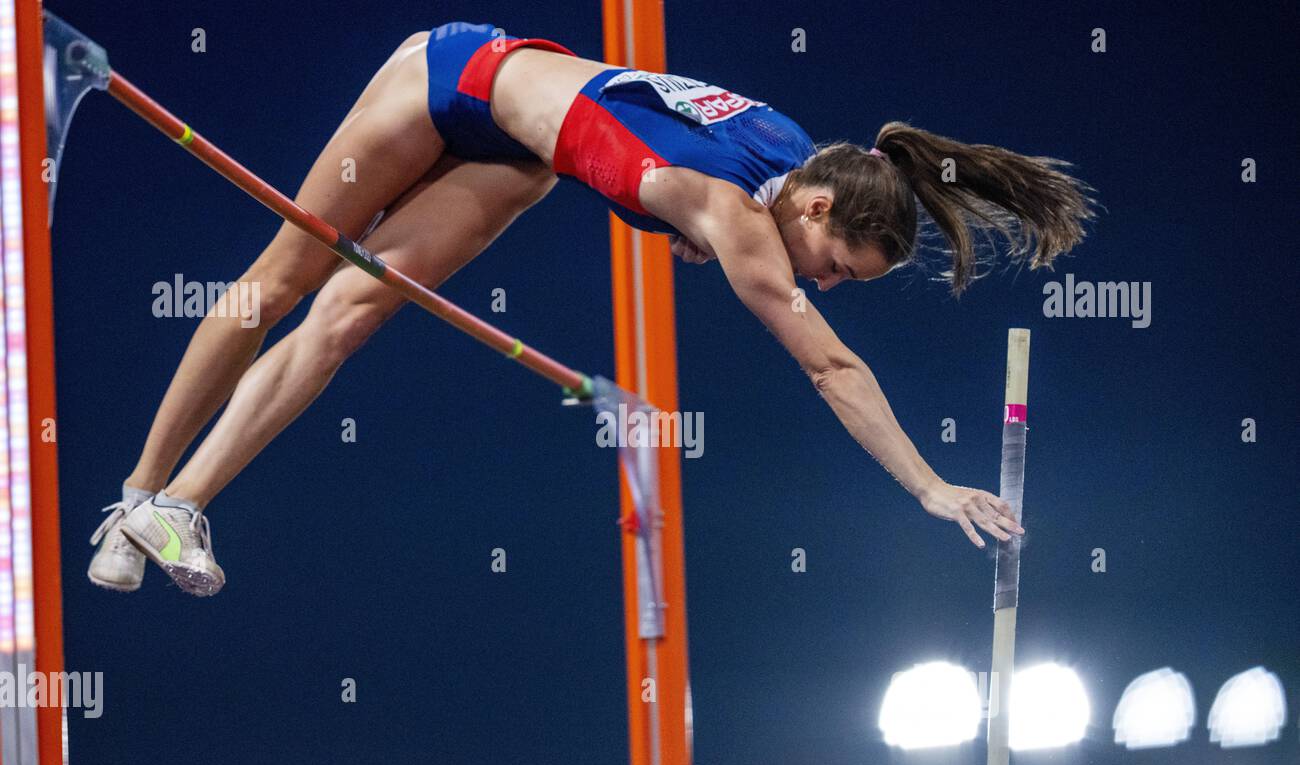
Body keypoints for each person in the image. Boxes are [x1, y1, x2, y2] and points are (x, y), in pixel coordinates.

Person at [89, 21, 1094, 597]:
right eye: (833, 265)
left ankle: (179, 508)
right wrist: (925, 487)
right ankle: (135, 490)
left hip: (521, 157)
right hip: (451, 80)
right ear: (816, 206)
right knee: (284, 278)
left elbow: (657, 143)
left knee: (350, 315)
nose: (820, 286)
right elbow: (832, 367)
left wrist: (689, 224)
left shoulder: (789, 153)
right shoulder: (744, 220)